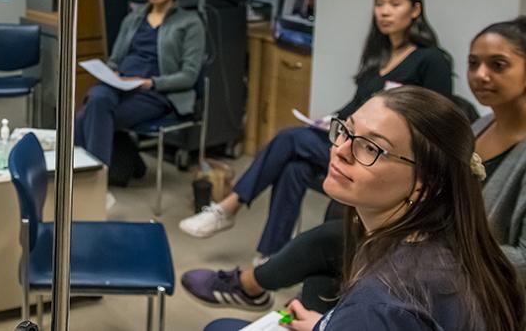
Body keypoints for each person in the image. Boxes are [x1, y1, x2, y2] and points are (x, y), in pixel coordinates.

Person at [183, 17, 526, 314]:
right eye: (473, 63)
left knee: (326, 211)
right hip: (421, 219)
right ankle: (278, 277)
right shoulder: (481, 126)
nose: (480, 75)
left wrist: (436, 241)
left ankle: (251, 273)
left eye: (498, 65)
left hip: (458, 258)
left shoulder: (431, 64)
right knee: (302, 176)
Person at [202, 87, 525, 331]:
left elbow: (377, 314)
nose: (340, 149)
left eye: (371, 147)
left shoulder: (382, 300)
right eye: (346, 130)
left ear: (424, 184)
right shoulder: (450, 245)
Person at [180, 0, 452, 258]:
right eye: (379, 4)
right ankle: (269, 257)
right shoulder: (379, 55)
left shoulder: (431, 60)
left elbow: (439, 123)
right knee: (293, 168)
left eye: (394, 4)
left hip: (385, 157)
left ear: (415, 10)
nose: (384, 11)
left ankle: (228, 207)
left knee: (289, 138)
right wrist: (329, 120)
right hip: (355, 146)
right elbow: (357, 106)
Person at [74, 0, 205, 169]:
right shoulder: (133, 18)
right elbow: (115, 60)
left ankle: (93, 181)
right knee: (97, 99)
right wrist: (111, 74)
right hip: (121, 85)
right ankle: (98, 178)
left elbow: (189, 76)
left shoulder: (190, 23)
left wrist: (151, 83)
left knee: (84, 117)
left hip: (156, 92)